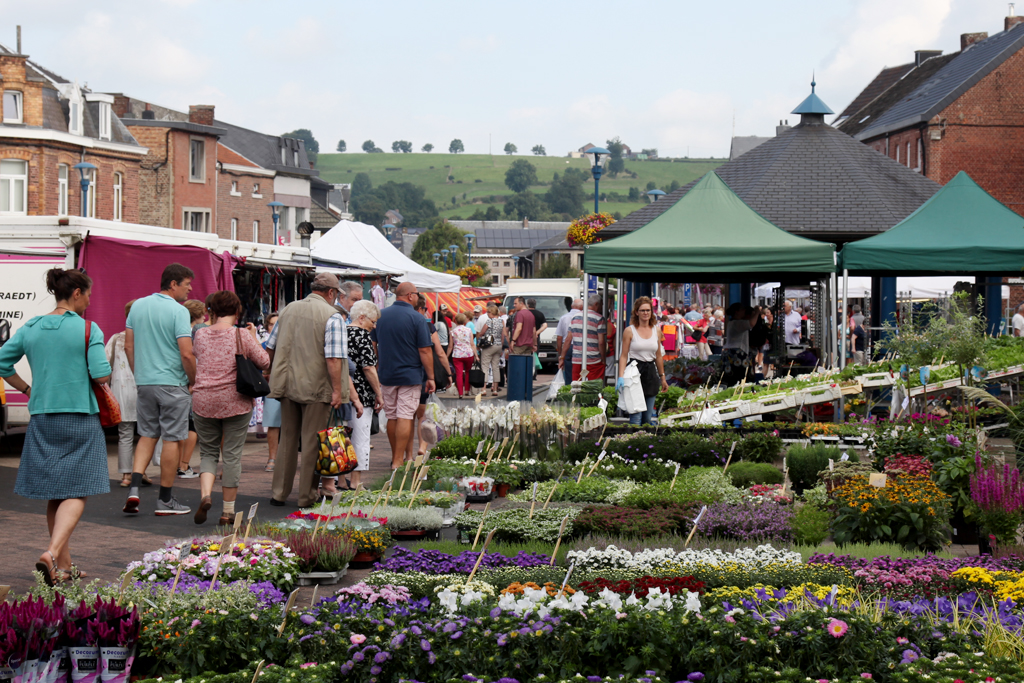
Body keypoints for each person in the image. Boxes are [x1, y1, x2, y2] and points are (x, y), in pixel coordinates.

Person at [0, 268, 112, 585]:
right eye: (88, 294)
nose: (90, 300)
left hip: (43, 416)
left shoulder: (32, 327)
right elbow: (101, 375)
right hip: (80, 416)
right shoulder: (88, 329)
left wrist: (25, 389)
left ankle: (63, 566)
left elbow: (2, 362)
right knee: (78, 489)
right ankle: (50, 553)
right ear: (76, 293)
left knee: (55, 492)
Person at [266, 272, 361, 507]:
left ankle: (279, 493)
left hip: (288, 384)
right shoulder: (332, 316)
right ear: (330, 293)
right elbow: (334, 358)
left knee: (287, 440)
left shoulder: (288, 309)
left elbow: (270, 347)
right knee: (312, 442)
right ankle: (306, 495)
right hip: (317, 388)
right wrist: (338, 391)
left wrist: (268, 374)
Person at [123, 263, 196, 517]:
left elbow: (128, 347)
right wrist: (193, 379)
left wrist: (139, 374)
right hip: (172, 383)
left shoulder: (138, 306)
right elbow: (186, 353)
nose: (190, 289)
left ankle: (134, 487)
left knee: (146, 435)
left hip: (145, 382)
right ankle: (165, 500)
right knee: (173, 438)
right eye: (187, 284)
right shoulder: (179, 312)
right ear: (173, 284)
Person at [191, 291, 270, 526]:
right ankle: (227, 512)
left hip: (203, 399)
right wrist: (253, 337)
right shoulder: (242, 335)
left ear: (212, 311)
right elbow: (264, 361)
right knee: (232, 456)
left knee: (207, 452)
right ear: (237, 311)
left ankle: (206, 494)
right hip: (235, 400)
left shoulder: (200, 335)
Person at [374, 281, 435, 470]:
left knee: (392, 416)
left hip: (387, 374)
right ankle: (399, 461)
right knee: (405, 416)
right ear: (410, 296)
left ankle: (395, 457)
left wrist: (380, 364)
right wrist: (431, 377)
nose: (417, 297)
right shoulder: (417, 318)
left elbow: (374, 346)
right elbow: (425, 351)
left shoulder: (380, 316)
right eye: (416, 294)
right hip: (409, 374)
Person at [106, 299, 156, 489]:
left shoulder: (116, 339)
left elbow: (105, 364)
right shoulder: (150, 338)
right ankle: (140, 470)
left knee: (125, 434)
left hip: (122, 390)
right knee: (147, 433)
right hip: (146, 388)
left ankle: (127, 475)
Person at [347, 300, 383, 490]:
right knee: (360, 438)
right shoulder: (362, 336)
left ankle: (338, 479)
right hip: (361, 393)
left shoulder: (343, 332)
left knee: (344, 437)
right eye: (372, 321)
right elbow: (368, 367)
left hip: (345, 391)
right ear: (361, 318)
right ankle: (356, 481)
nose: (374, 325)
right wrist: (379, 393)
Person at [617, 296, 669, 425]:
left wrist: (662, 377)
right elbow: (623, 355)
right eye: (642, 310)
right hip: (635, 372)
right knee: (635, 417)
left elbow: (658, 356)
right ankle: (632, 443)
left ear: (651, 312)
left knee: (647, 418)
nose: (645, 313)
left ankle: (645, 443)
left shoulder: (656, 330)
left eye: (648, 310)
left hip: (650, 372)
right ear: (636, 312)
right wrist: (621, 377)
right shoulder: (629, 331)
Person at [562, 294, 606, 382]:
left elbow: (568, 339)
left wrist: (562, 357)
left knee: (577, 386)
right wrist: (603, 358)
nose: (602, 308)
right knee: (594, 387)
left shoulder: (575, 317)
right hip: (594, 360)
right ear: (596, 304)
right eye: (602, 305)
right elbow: (601, 342)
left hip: (577, 359)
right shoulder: (599, 318)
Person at [261, 311, 281, 472]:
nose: (275, 327)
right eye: (271, 324)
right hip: (273, 384)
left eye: (278, 324)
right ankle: (272, 457)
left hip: (289, 383)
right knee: (273, 423)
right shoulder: (265, 344)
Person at [722, 303, 761, 384]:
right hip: (737, 353)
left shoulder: (733, 322)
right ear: (737, 312)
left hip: (735, 352)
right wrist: (757, 312)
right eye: (743, 310)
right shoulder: (736, 323)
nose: (744, 312)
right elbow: (751, 324)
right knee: (739, 377)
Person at [478, 303, 505, 396]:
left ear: (491, 312)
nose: (487, 314)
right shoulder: (501, 321)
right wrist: (501, 346)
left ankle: (484, 389)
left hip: (489, 345)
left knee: (485, 366)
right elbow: (503, 335)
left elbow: (482, 332)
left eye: (488, 312)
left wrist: (481, 336)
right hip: (498, 345)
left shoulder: (489, 321)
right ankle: (495, 389)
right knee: (496, 367)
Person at [556, 299, 583, 386]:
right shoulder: (584, 317)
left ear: (571, 306)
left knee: (568, 371)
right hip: (580, 347)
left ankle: (569, 388)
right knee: (580, 371)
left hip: (567, 347)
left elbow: (559, 337)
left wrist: (560, 354)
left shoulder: (563, 318)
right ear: (582, 307)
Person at [449, 313, 477, 398]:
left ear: (455, 321)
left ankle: (460, 393)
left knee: (459, 374)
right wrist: (476, 355)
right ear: (465, 321)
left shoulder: (453, 332)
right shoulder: (469, 330)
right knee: (468, 372)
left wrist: (446, 356)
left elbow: (451, 346)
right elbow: (472, 344)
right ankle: (467, 391)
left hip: (457, 355)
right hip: (468, 354)